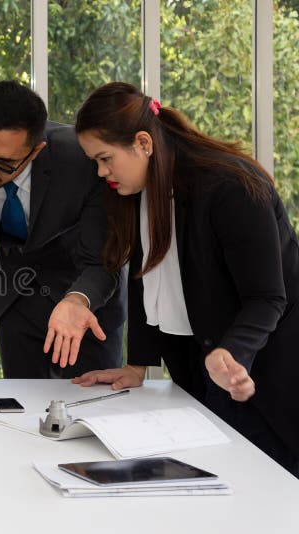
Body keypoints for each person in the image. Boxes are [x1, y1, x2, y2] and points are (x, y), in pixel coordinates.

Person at [71, 82, 299, 476]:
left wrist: (233, 354)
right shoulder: (140, 191)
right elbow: (147, 274)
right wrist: (138, 365)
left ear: (143, 143)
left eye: (105, 158)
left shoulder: (232, 186)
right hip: (206, 365)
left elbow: (267, 298)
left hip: (267, 366)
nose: (100, 171)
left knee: (271, 485)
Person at [0, 80, 126, 379]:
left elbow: (103, 259)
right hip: (15, 300)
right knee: (20, 411)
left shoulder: (82, 159)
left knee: (88, 412)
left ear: (36, 151)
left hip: (83, 306)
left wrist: (77, 300)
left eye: (4, 163)